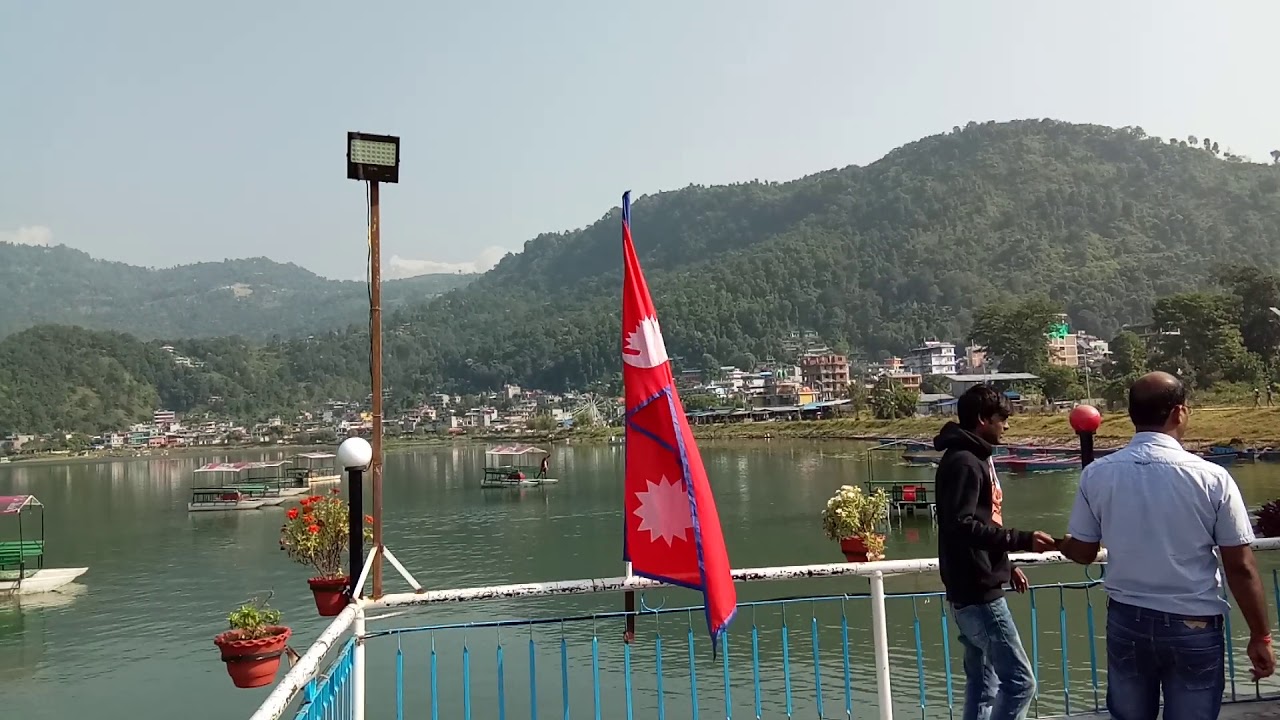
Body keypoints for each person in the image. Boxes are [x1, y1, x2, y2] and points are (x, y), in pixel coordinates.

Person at [1059, 371, 1275, 720]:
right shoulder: (1212, 478)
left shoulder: (1097, 474)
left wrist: (1049, 542)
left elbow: (1083, 552)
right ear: (1179, 413)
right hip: (1194, 623)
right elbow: (1240, 566)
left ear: (1131, 415)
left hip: (1127, 618)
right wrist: (1260, 636)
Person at [934, 385, 1058, 720]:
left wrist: (1004, 562)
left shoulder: (972, 457)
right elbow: (962, 526)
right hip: (978, 592)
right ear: (981, 420)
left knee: (983, 682)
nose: (1006, 426)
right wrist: (1023, 540)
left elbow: (979, 523)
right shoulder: (965, 462)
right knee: (1020, 683)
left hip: (971, 585)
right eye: (1001, 419)